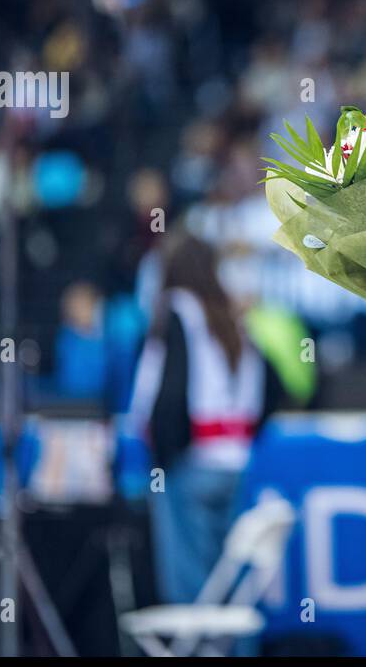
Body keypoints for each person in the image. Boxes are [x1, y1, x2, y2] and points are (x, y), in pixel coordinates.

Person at [131, 233, 310, 605]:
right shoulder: (235, 316)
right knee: (229, 583)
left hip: (190, 464)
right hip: (233, 464)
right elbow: (275, 388)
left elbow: (169, 391)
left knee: (191, 588)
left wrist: (165, 459)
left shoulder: (179, 309)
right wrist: (240, 438)